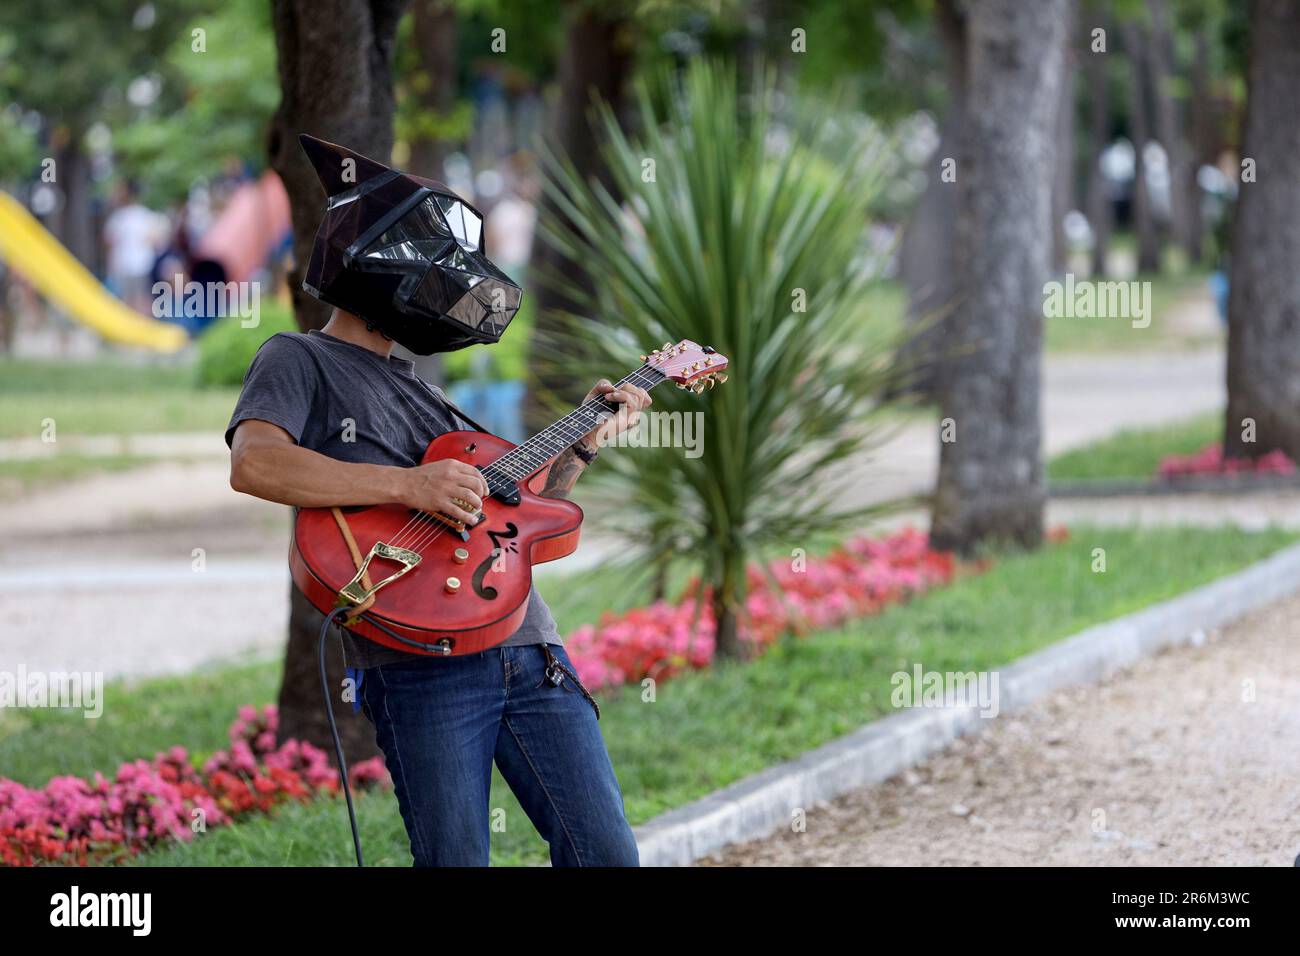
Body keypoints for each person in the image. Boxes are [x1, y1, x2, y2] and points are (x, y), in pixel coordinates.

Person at [225, 135, 649, 867]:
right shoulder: (298, 358)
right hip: (421, 669)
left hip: (531, 652)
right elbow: (255, 462)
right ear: (375, 264)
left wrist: (580, 443)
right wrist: (408, 484)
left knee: (607, 854)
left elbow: (515, 513)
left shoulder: (426, 390)